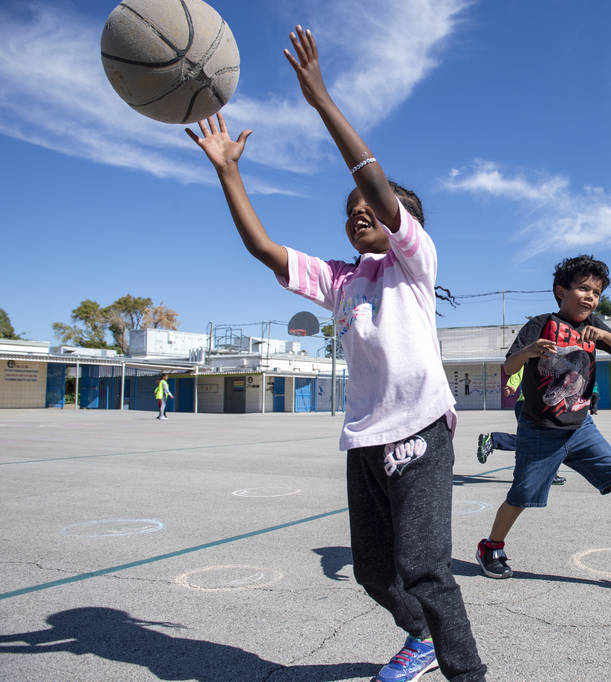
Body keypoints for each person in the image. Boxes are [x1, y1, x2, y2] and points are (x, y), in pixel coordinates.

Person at [186, 27, 484, 682]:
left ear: (403, 223)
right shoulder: (343, 281)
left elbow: (377, 185)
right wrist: (230, 173)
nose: (360, 211)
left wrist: (321, 101)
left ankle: (468, 673)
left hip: (423, 432)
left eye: (373, 208)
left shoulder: (414, 265)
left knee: (426, 569)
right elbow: (265, 251)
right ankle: (420, 640)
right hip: (366, 440)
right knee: (377, 574)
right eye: (350, 208)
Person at [475, 255, 611, 583]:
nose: (590, 297)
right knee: (521, 495)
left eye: (596, 292)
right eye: (583, 288)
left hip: (581, 426)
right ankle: (490, 546)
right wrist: (529, 352)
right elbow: (510, 366)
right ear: (560, 291)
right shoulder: (540, 324)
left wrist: (603, 336)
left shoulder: (593, 326)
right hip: (540, 430)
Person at [477, 368, 566, 485]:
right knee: (542, 441)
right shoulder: (544, 357)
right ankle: (494, 440)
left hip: (527, 404)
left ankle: (495, 440)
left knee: (532, 441)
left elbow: (520, 369)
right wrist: (511, 385)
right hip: (536, 405)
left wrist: (511, 385)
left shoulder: (538, 356)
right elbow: (522, 369)